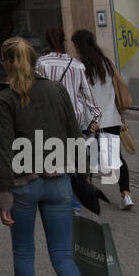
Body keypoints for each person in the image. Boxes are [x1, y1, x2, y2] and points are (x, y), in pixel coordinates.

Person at [0, 37, 97, 276]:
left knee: (24, 254)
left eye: (4, 60)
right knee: (63, 256)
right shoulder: (56, 90)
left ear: (9, 63)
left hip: (23, 185)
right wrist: (85, 175)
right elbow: (74, 133)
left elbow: (3, 151)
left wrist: (3, 199)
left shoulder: (6, 98)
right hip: (59, 182)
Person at [36, 27, 100, 214]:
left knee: (58, 161)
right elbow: (89, 96)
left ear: (46, 41)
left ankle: (71, 202)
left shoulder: (41, 64)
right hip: (75, 120)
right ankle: (76, 201)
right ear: (64, 41)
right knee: (74, 160)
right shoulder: (78, 66)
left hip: (50, 119)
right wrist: (96, 119)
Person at [71, 29, 134, 210]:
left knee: (87, 158)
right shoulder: (107, 63)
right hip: (110, 118)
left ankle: (88, 194)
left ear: (78, 45)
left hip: (89, 121)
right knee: (116, 158)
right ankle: (126, 195)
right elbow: (114, 90)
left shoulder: (79, 66)